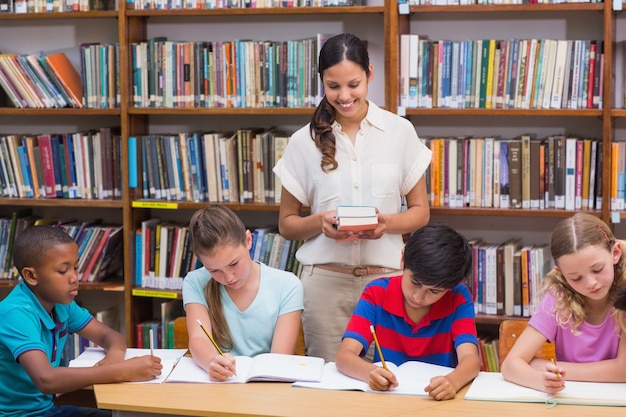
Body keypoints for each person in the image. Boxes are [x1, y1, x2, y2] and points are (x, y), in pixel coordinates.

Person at [272, 32, 432, 362]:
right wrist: (319, 222)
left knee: (390, 383)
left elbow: (420, 212)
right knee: (330, 393)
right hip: (325, 285)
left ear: (370, 75)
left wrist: (385, 223)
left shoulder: (399, 132)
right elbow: (287, 225)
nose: (344, 96)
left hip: (387, 282)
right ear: (322, 83)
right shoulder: (304, 142)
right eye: (333, 86)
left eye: (353, 84)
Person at [0, 225, 162, 417]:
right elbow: (46, 380)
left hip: (47, 411)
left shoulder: (62, 304)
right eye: (63, 271)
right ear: (31, 276)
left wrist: (115, 357)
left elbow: (109, 335)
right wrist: (122, 371)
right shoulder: (15, 313)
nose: (74, 278)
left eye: (76, 268)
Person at [334, 223, 480, 400]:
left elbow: (471, 360)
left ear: (450, 287)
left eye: (433, 291)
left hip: (437, 399)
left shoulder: (459, 296)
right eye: (415, 283)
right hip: (388, 397)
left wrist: (454, 381)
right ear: (403, 259)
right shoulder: (376, 293)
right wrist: (369, 372)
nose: (418, 297)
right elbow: (344, 356)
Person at [501, 213, 626, 394]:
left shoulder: (624, 292)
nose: (590, 283)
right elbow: (510, 365)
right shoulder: (558, 298)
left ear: (615, 253)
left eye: (597, 269)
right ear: (561, 274)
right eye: (575, 278)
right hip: (570, 399)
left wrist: (551, 367)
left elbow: (623, 370)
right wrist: (541, 381)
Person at [182, 205, 303, 381]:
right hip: (220, 385)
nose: (229, 277)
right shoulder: (194, 282)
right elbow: (198, 338)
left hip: (267, 386)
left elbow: (279, 358)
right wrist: (212, 362)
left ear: (248, 240)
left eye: (233, 264)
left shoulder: (288, 285)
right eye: (214, 271)